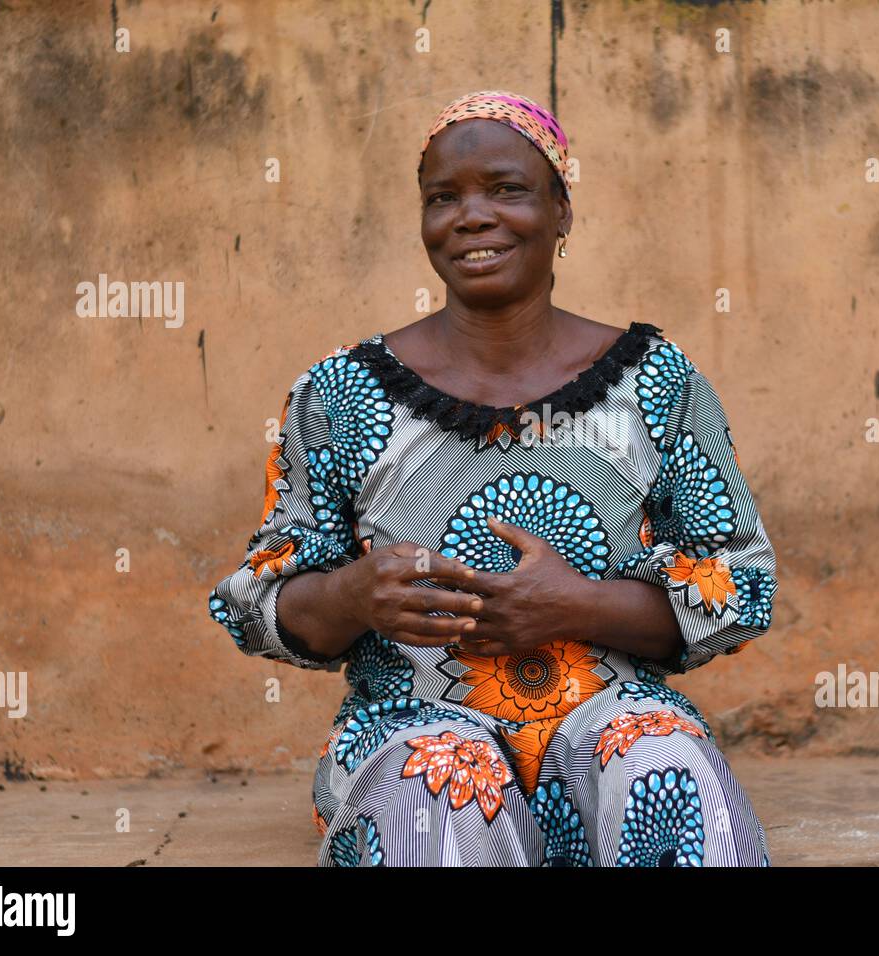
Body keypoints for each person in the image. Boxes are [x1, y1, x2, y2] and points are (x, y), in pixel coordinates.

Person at [207, 90, 779, 867]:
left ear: (562, 209)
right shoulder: (339, 395)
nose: (471, 216)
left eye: (505, 189)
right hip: (411, 728)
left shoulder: (657, 383)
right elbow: (259, 606)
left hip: (606, 722)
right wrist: (351, 594)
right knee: (442, 785)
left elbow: (741, 589)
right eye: (443, 198)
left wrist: (577, 605)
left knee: (666, 763)